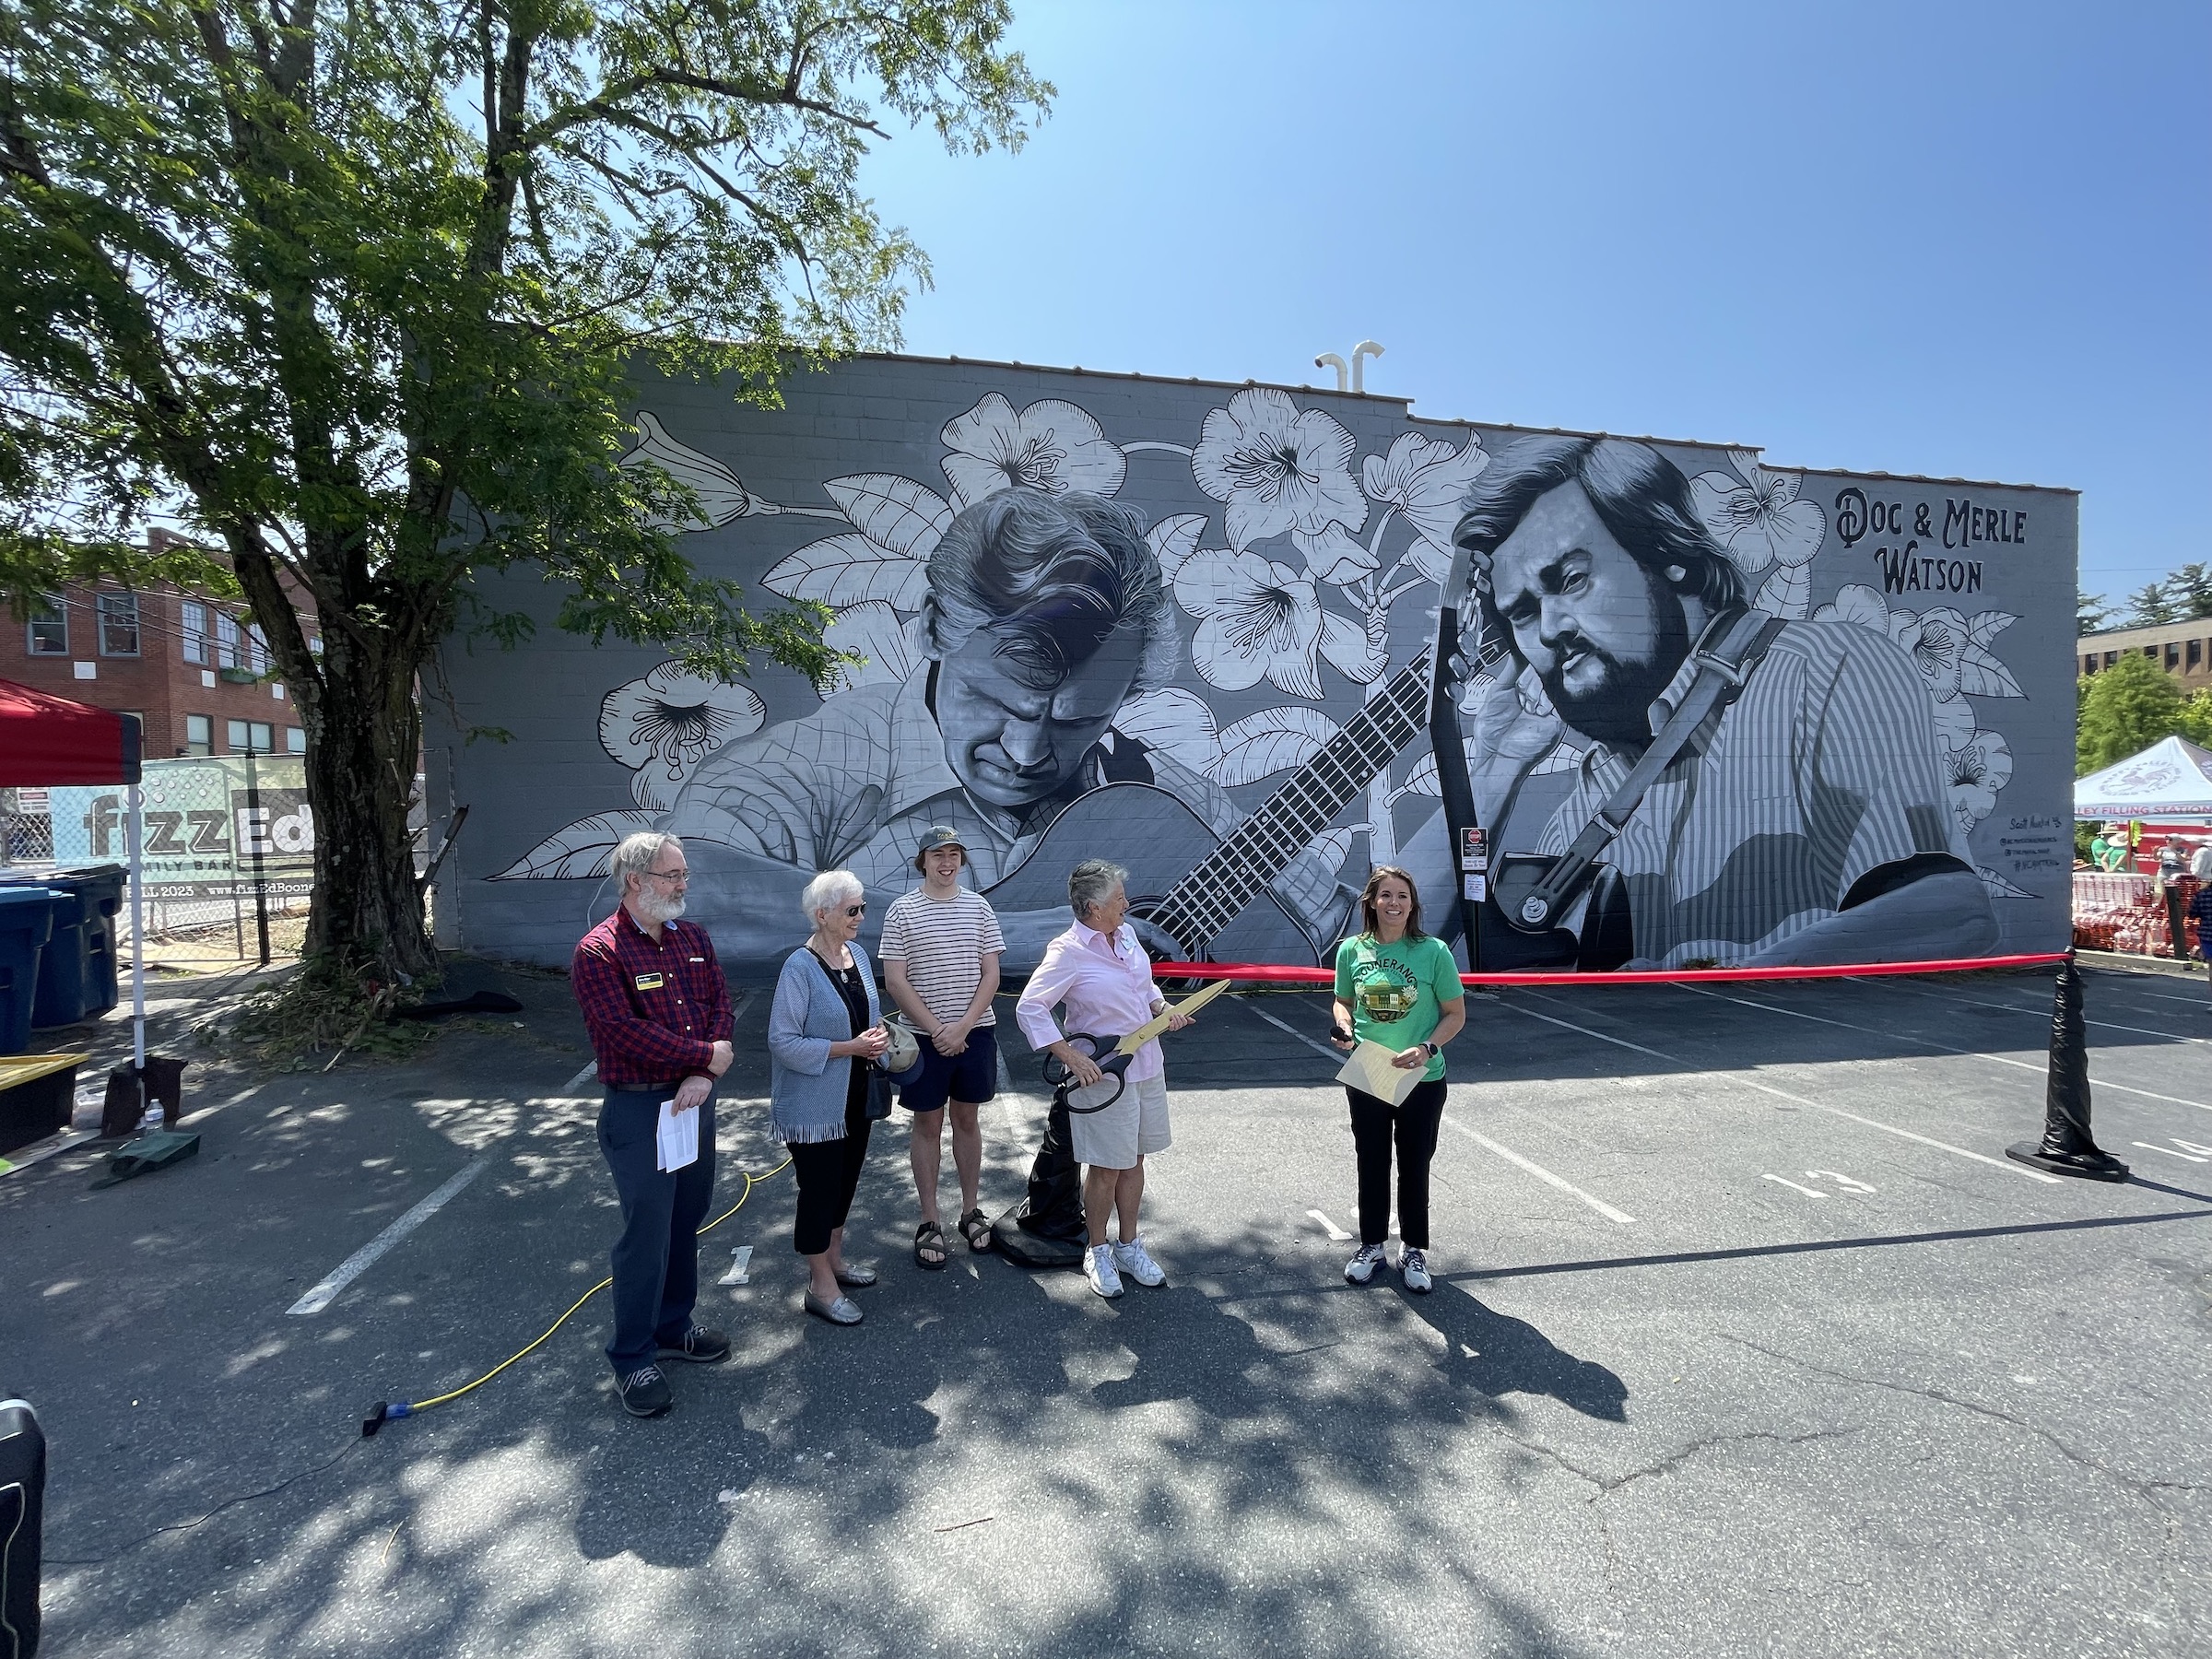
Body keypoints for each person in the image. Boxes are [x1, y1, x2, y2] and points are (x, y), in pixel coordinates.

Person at [655, 488, 1346, 968]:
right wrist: (1019, 941)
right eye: (998, 703)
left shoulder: (1160, 793)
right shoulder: (797, 775)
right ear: (931, 628)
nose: (1026, 752)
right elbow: (689, 910)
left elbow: (1352, 925)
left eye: (1079, 720)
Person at [1442, 433, 1996, 969]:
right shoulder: (1588, 799)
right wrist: (1497, 770)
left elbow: (1949, 913)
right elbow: (1410, 944)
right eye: (1520, 613)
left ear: (1664, 551)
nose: (1549, 629)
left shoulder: (1819, 671)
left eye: (1572, 579)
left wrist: (1715, 983)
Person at [571, 832, 735, 1418]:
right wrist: (700, 1060)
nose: (683, 884)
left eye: (684, 874)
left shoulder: (692, 938)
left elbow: (720, 1005)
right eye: (672, 876)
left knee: (686, 1218)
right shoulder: (601, 952)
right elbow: (623, 1033)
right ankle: (633, 1355)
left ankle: (673, 1327)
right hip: (641, 1109)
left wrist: (706, 1074)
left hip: (694, 1100)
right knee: (646, 1232)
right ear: (635, 880)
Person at [1015, 858, 1194, 1299]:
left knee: (1133, 1160)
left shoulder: (1127, 934)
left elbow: (1145, 987)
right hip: (1106, 1077)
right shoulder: (1067, 952)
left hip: (1147, 1065)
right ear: (1093, 908)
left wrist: (1161, 1009)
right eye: (1118, 899)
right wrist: (1070, 1055)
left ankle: (1129, 1245)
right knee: (1107, 1167)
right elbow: (1029, 1008)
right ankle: (1097, 1250)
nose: (1126, 905)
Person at [1328, 866, 1466, 1293]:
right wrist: (1344, 1027)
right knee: (1371, 1161)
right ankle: (1371, 1245)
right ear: (1371, 902)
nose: (1394, 903)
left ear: (1413, 903)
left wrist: (1427, 1048)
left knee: (1414, 1163)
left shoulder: (1434, 951)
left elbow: (1456, 1014)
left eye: (1402, 896)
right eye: (1385, 895)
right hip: (1370, 1068)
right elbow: (1341, 1001)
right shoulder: (1351, 950)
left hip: (1421, 1075)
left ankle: (1413, 1250)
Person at [879, 826, 1006, 1270]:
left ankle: (970, 1211)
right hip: (923, 1039)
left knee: (967, 1119)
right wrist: (937, 1030)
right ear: (923, 862)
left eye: (954, 855)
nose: (947, 863)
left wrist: (964, 1026)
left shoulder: (979, 908)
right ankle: (929, 1219)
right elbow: (896, 980)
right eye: (938, 855)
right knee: (927, 1123)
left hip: (975, 1033)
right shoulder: (901, 912)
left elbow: (991, 974)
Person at [767, 870, 889, 1327]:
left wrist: (878, 1040)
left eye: (862, 908)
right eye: (851, 910)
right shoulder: (799, 967)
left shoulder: (855, 954)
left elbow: (867, 1018)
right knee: (819, 1192)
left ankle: (835, 1262)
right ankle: (820, 1285)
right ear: (822, 915)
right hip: (814, 1106)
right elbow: (782, 1041)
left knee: (844, 1185)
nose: (860, 917)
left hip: (855, 1097)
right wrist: (848, 1049)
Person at [2157, 838, 2191, 959]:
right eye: (2167, 839)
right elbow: (2157, 859)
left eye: (2171, 840)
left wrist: (2176, 852)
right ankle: (2163, 908)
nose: (2168, 842)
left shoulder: (2183, 850)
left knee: (2175, 893)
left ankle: (2172, 910)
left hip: (2177, 872)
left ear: (2177, 841)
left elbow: (2184, 860)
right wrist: (2156, 853)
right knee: (2162, 892)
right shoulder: (2163, 849)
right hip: (2164, 871)